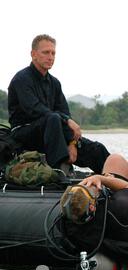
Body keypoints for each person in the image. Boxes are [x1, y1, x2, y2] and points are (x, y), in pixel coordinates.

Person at [7, 34, 110, 175]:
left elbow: (64, 113)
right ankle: (59, 170)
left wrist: (72, 143)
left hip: (54, 131)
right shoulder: (21, 79)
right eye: (46, 52)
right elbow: (35, 110)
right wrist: (67, 120)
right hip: (24, 134)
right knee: (54, 119)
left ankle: (116, 179)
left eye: (53, 53)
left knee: (96, 149)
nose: (50, 57)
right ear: (33, 54)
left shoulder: (54, 83)